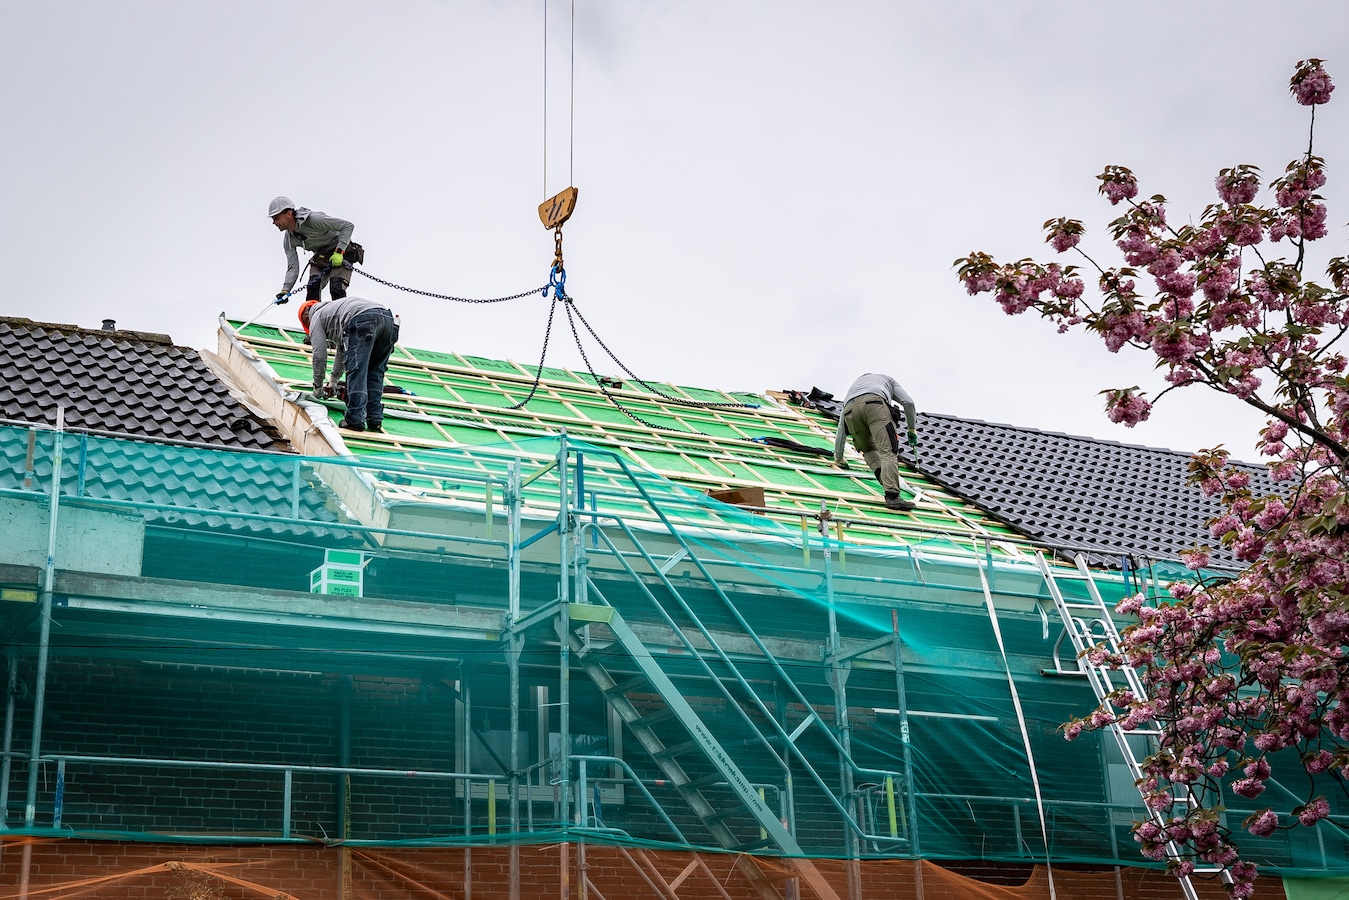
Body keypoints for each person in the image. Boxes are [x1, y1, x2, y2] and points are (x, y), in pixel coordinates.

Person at [299, 296, 399, 433]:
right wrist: (333, 381)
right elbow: (342, 352)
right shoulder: (336, 311)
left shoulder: (316, 317)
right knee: (375, 371)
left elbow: (319, 355)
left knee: (357, 368)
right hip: (388, 320)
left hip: (364, 320)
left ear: (306, 315)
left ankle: (355, 419)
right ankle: (374, 418)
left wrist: (317, 387)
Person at [832, 373, 919, 511]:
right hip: (875, 404)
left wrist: (839, 457)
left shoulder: (852, 392)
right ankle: (892, 497)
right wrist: (911, 428)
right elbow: (908, 402)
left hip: (850, 411)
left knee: (868, 449)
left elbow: (842, 427)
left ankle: (884, 480)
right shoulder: (889, 381)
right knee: (888, 450)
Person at [268, 196, 362, 303]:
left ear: (288, 214)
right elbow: (293, 267)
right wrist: (285, 290)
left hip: (341, 251)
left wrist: (339, 252)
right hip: (321, 257)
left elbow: (348, 226)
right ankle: (313, 318)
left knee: (336, 288)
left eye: (276, 218)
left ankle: (342, 318)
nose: (274, 222)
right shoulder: (288, 240)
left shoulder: (314, 219)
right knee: (313, 288)